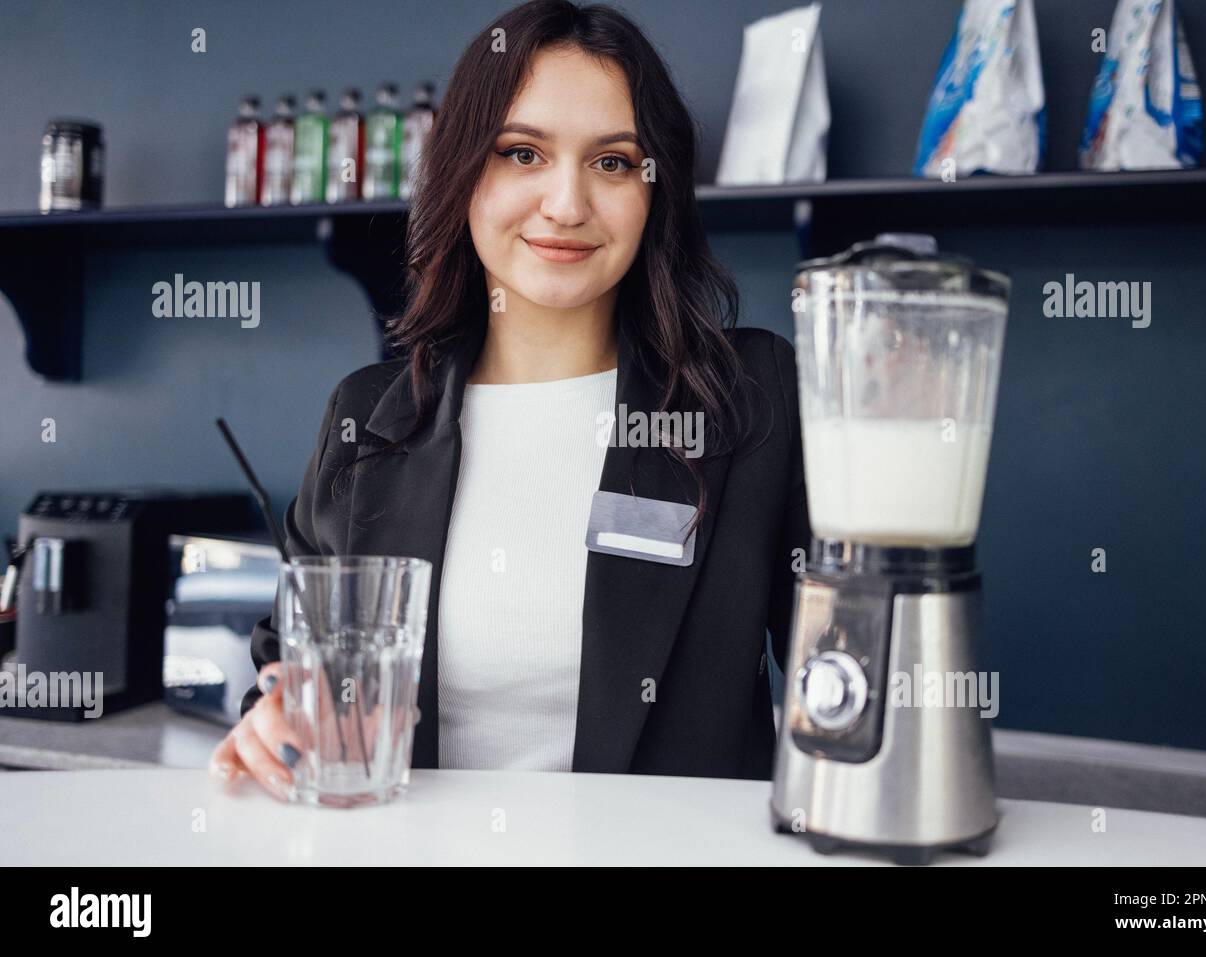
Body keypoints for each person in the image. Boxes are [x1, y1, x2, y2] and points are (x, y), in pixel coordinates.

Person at [209, 0, 809, 802]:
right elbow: (291, 680)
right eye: (522, 153)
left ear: (655, 191)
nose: (565, 204)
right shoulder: (368, 414)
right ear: (462, 173)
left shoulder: (750, 397)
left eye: (614, 162)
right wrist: (270, 725)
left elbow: (851, 669)